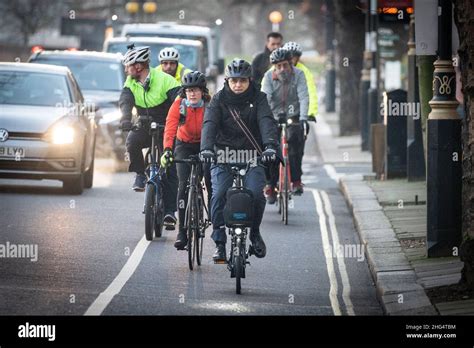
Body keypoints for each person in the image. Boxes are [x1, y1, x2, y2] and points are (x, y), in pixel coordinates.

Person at [200, 58, 279, 262]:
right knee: (218, 195)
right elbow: (209, 124)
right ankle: (219, 242)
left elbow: (266, 121)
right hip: (223, 155)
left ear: (249, 80)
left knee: (256, 195)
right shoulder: (218, 100)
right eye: (233, 81)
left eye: (242, 81)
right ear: (227, 81)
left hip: (252, 155)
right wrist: (207, 149)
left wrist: (270, 145)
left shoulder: (259, 98)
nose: (237, 85)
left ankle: (254, 233)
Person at [119, 44, 181, 229]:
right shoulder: (130, 81)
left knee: (169, 167)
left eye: (128, 65)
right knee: (132, 141)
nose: (126, 69)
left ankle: (170, 211)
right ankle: (140, 173)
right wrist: (125, 119)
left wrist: (180, 119)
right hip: (145, 124)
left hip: (167, 125)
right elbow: (125, 101)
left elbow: (178, 99)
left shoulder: (164, 79)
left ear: (138, 66)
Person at [161, 71, 212, 250]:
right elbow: (170, 127)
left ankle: (213, 210)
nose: (192, 94)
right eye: (189, 90)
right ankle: (182, 231)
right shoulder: (179, 105)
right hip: (184, 144)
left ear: (202, 92)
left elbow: (217, 128)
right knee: (183, 185)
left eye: (196, 90)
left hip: (205, 145)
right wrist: (167, 150)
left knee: (209, 176)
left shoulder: (210, 105)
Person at [261, 47, 309, 200]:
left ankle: (296, 181)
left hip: (293, 116)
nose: (282, 69)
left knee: (295, 147)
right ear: (274, 67)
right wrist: (264, 119)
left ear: (291, 64)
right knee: (270, 151)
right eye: (278, 66)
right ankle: (270, 184)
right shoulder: (268, 77)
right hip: (273, 116)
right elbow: (265, 99)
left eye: (285, 65)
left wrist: (303, 118)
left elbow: (303, 97)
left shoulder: (299, 75)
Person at [283, 41, 318, 121]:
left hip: (297, 109)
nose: (291, 60)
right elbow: (266, 91)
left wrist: (311, 112)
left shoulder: (304, 71)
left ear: (298, 58)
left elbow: (311, 91)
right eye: (289, 57)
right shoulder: (276, 69)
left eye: (293, 57)